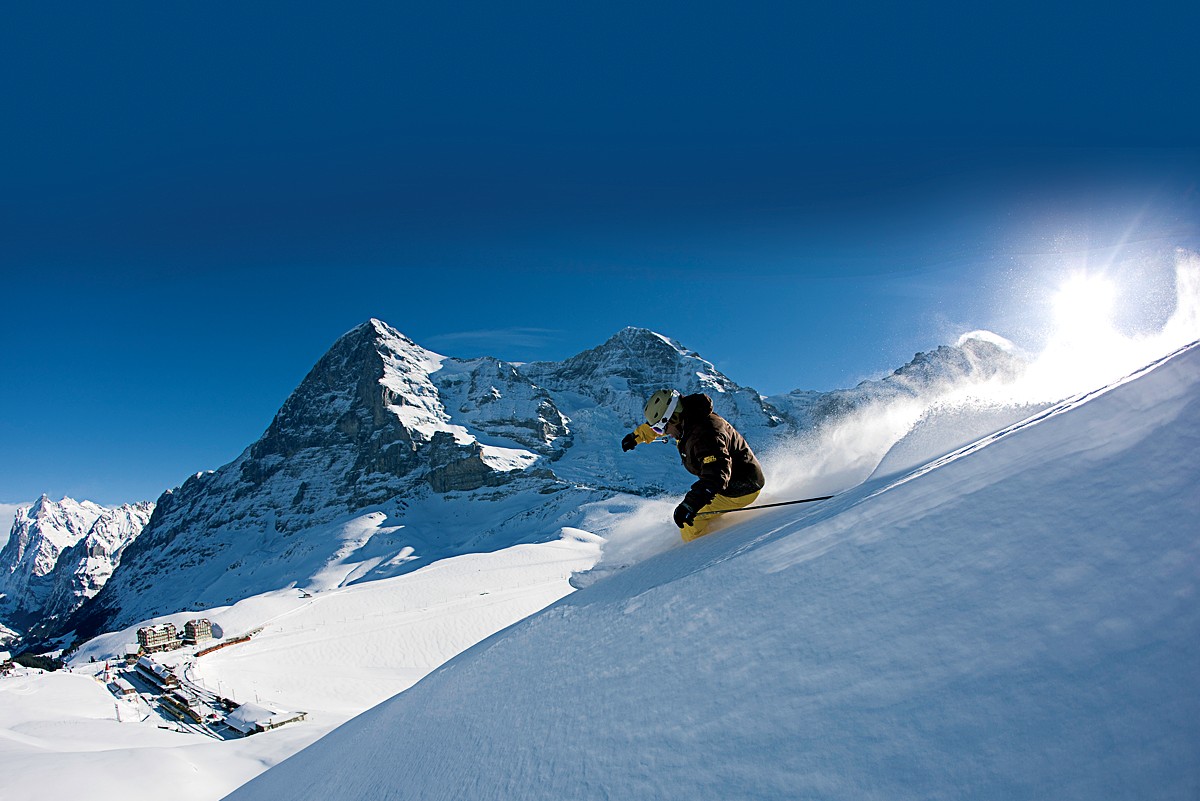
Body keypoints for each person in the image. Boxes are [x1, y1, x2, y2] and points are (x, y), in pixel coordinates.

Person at [622, 389, 765, 542]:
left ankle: (702, 553)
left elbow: (716, 474)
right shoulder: (689, 417)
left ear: (674, 418)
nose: (663, 433)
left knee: (690, 523)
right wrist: (636, 437)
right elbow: (663, 425)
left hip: (740, 488)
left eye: (661, 428)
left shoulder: (705, 435)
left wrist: (691, 504)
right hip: (736, 479)